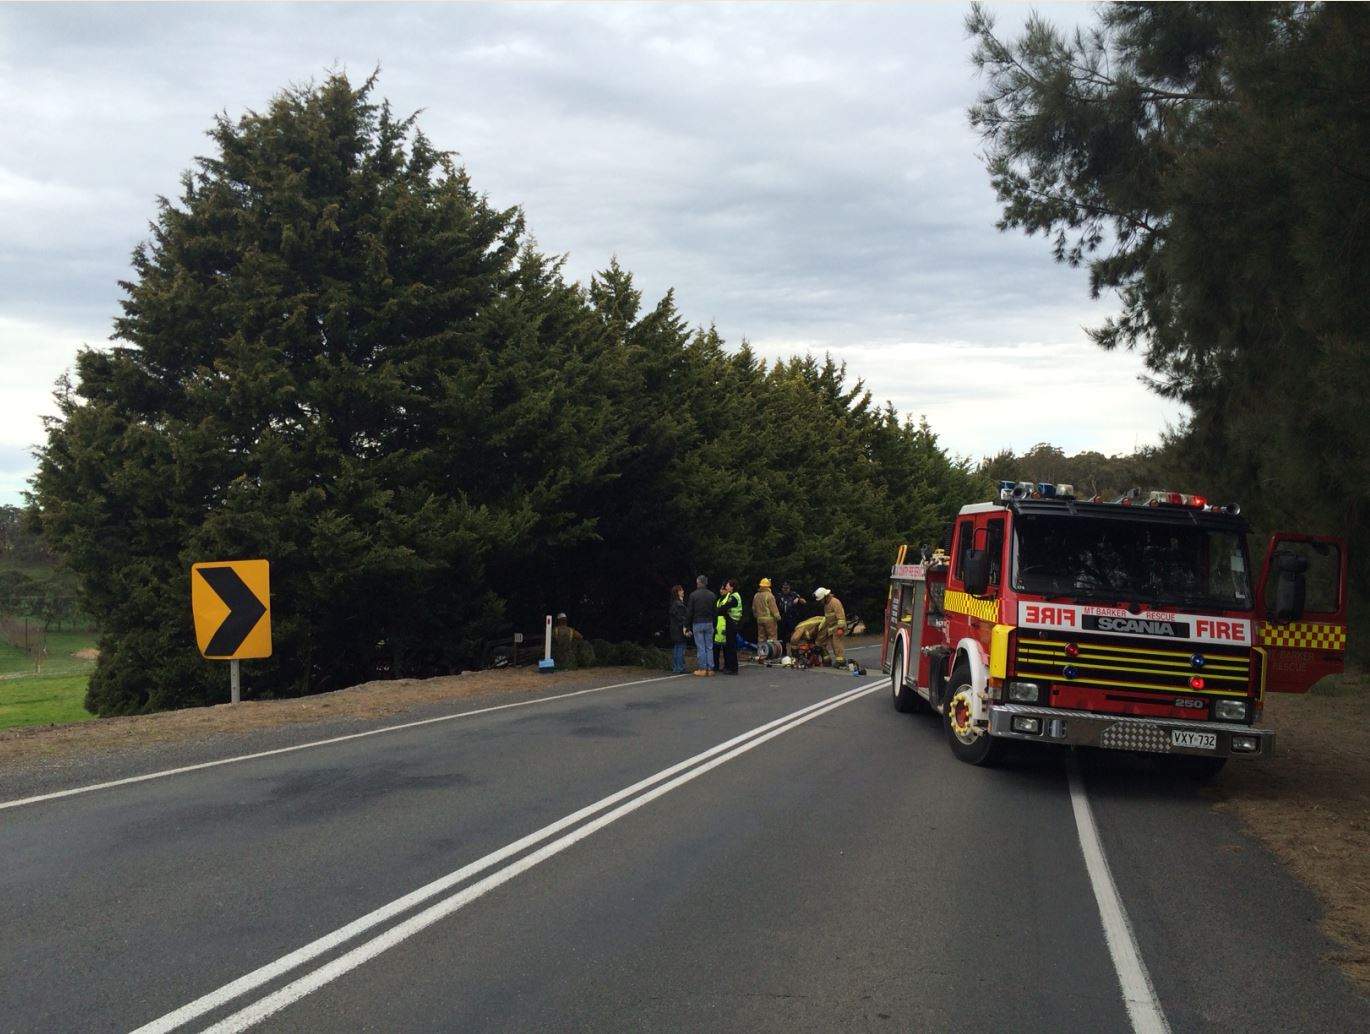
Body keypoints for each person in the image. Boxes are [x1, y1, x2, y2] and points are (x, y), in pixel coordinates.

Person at [687, 575, 717, 676]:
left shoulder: (693, 595)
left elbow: (690, 612)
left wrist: (687, 625)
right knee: (709, 646)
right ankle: (710, 669)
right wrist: (715, 624)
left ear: (699, 583)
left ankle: (702, 668)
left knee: (701, 647)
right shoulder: (712, 595)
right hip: (709, 622)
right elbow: (715, 612)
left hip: (698, 622)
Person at [814, 587, 847, 666]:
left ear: (825, 596)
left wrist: (840, 628)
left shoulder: (835, 602)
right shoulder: (827, 604)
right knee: (833, 644)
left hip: (837, 627)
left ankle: (841, 661)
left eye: (821, 599)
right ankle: (837, 660)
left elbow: (841, 616)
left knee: (837, 645)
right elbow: (827, 617)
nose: (821, 601)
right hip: (831, 628)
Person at [716, 578, 742, 675]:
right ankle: (730, 667)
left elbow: (725, 607)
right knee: (729, 645)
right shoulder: (734, 595)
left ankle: (733, 668)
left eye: (727, 585)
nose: (726, 587)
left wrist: (718, 611)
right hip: (732, 622)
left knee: (731, 646)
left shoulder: (733, 597)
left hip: (732, 622)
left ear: (732, 587)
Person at [751, 577, 781, 662]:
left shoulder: (756, 595)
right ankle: (773, 654)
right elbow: (773, 608)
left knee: (761, 638)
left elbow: (753, 608)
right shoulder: (769, 595)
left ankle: (761, 654)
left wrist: (756, 616)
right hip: (769, 620)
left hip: (759, 619)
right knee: (772, 637)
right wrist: (778, 617)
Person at [668, 584, 690, 674]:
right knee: (680, 648)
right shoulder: (679, 605)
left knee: (677, 648)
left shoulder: (673, 604)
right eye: (681, 590)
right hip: (679, 629)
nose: (683, 591)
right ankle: (680, 667)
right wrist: (686, 629)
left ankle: (676, 667)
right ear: (677, 592)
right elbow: (682, 618)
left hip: (674, 629)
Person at [776, 581, 806, 646]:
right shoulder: (779, 595)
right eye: (784, 588)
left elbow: (804, 602)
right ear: (782, 588)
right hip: (782, 618)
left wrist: (799, 599)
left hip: (792, 618)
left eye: (787, 588)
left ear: (789, 588)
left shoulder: (794, 594)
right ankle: (784, 651)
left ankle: (794, 651)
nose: (786, 589)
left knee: (793, 635)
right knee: (782, 636)